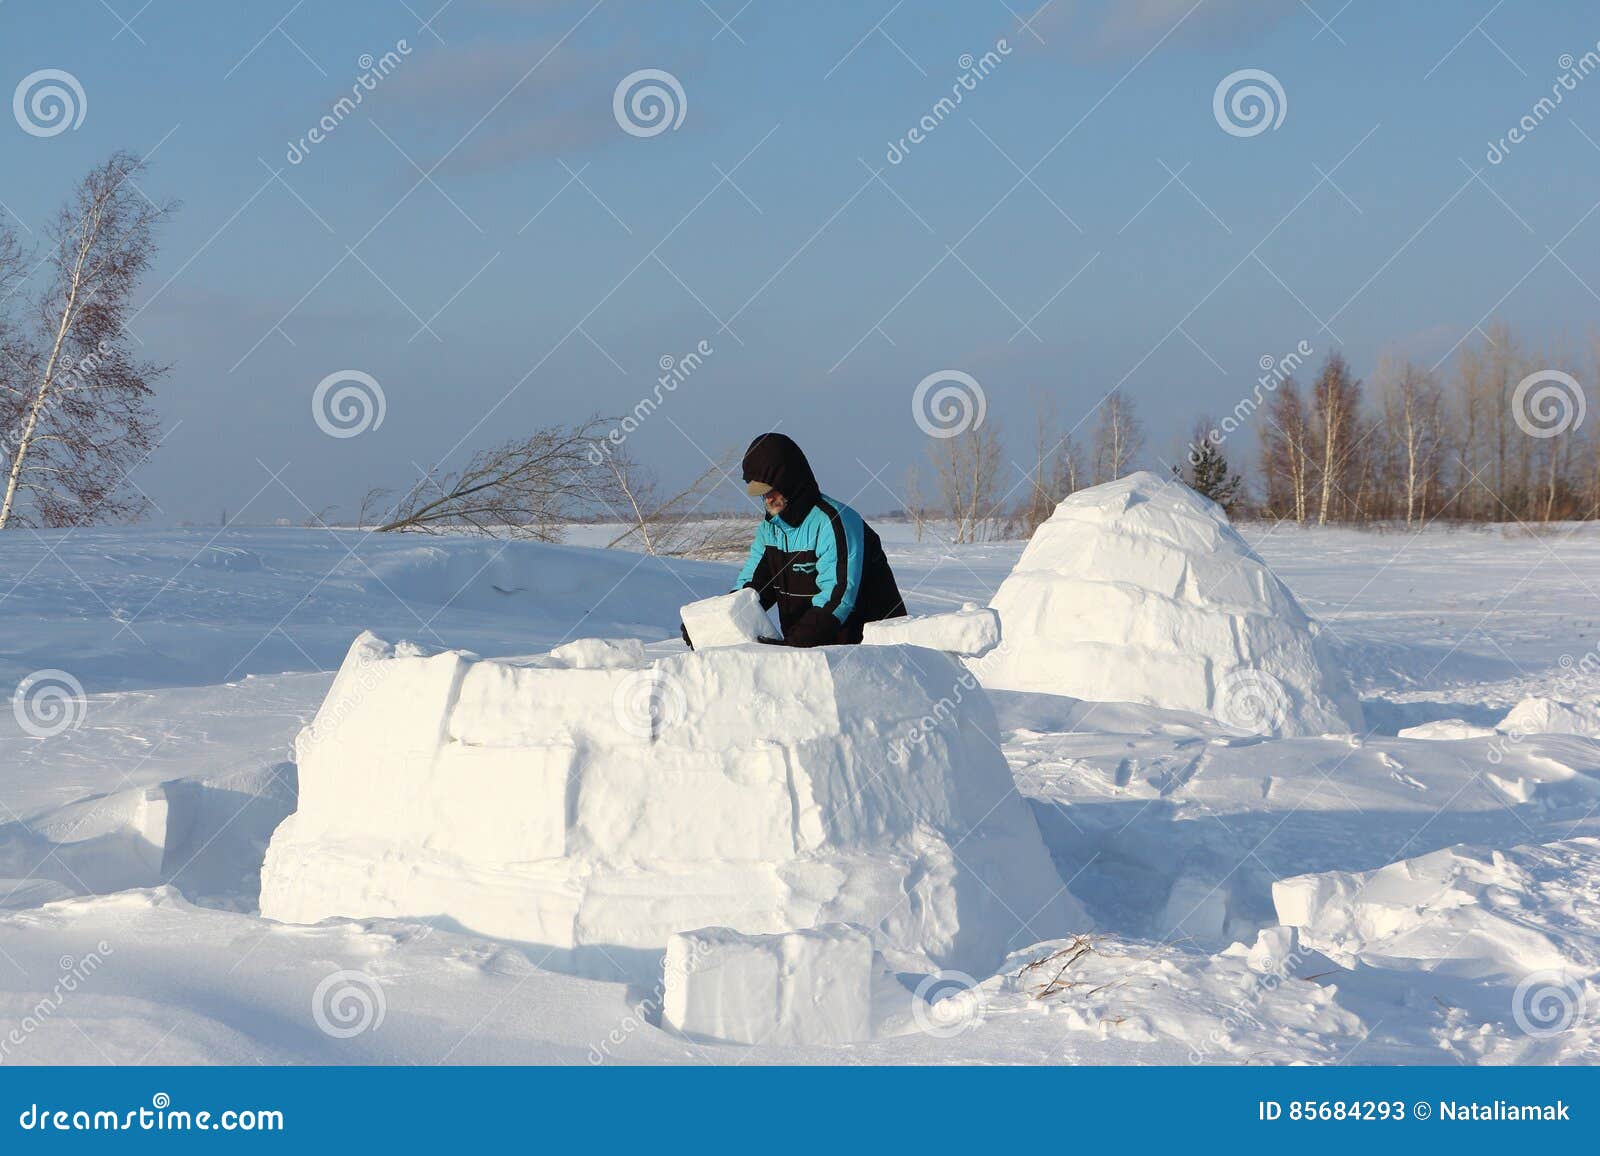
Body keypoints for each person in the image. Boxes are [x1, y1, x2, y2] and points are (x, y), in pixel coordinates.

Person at [729, 432, 906, 647]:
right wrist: (716, 624)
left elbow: (837, 598)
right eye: (762, 493)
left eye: (770, 490)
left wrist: (795, 645)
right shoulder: (770, 530)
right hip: (811, 649)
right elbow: (752, 590)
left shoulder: (835, 522)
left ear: (789, 481)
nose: (767, 498)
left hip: (868, 652)